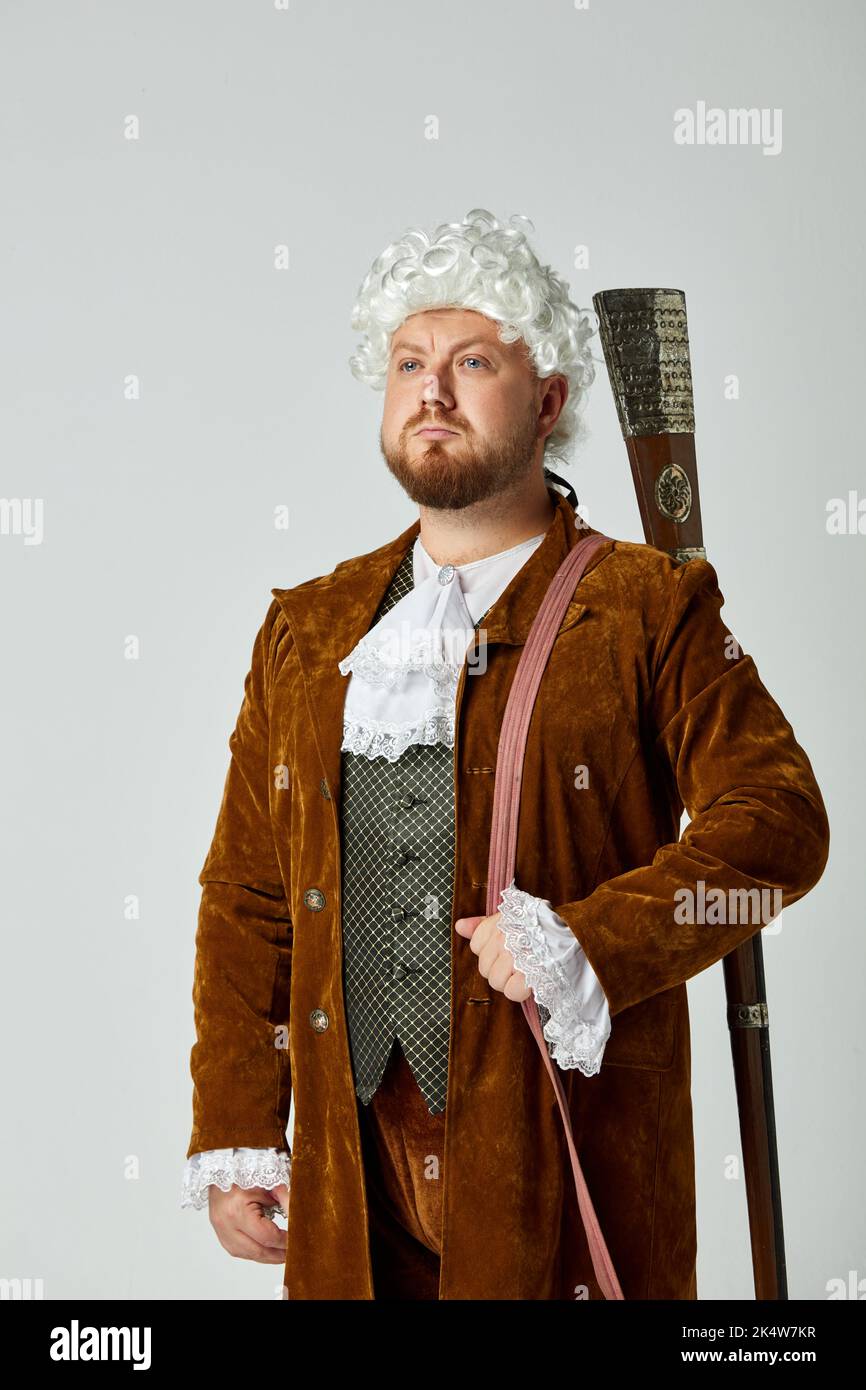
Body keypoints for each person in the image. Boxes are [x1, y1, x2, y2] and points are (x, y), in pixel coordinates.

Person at [181, 209, 830, 1300]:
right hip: (352, 1178)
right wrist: (240, 1122)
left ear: (545, 403)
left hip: (561, 1149)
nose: (430, 392)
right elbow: (246, 891)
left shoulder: (646, 606)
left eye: (470, 361)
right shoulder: (308, 625)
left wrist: (587, 941)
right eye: (406, 364)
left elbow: (775, 821)